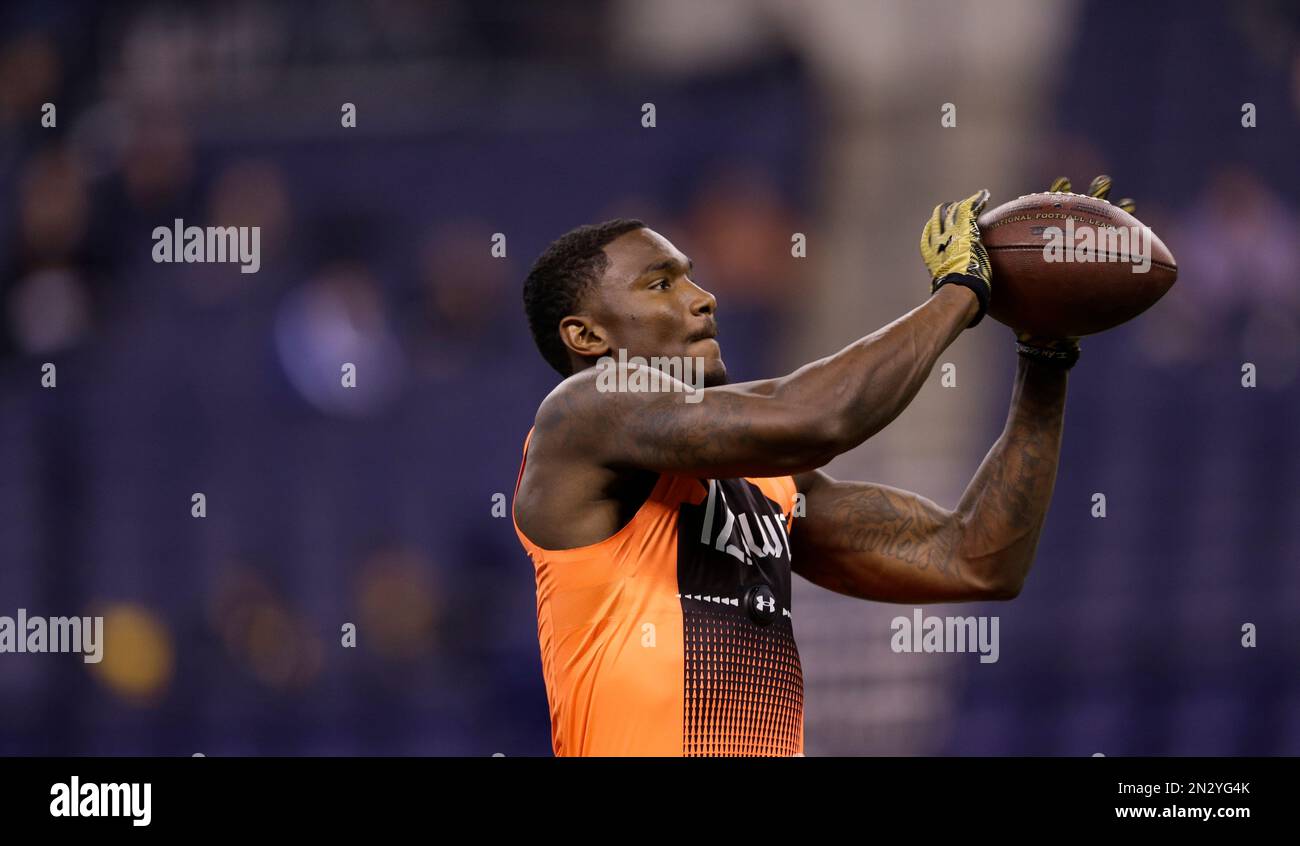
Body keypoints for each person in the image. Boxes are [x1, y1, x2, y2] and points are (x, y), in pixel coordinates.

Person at [512, 176, 1123, 756]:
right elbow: (818, 419)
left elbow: (975, 561)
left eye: (690, 278)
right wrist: (961, 293)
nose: (703, 298)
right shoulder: (581, 411)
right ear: (586, 337)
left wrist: (1045, 355)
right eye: (660, 284)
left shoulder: (766, 480)